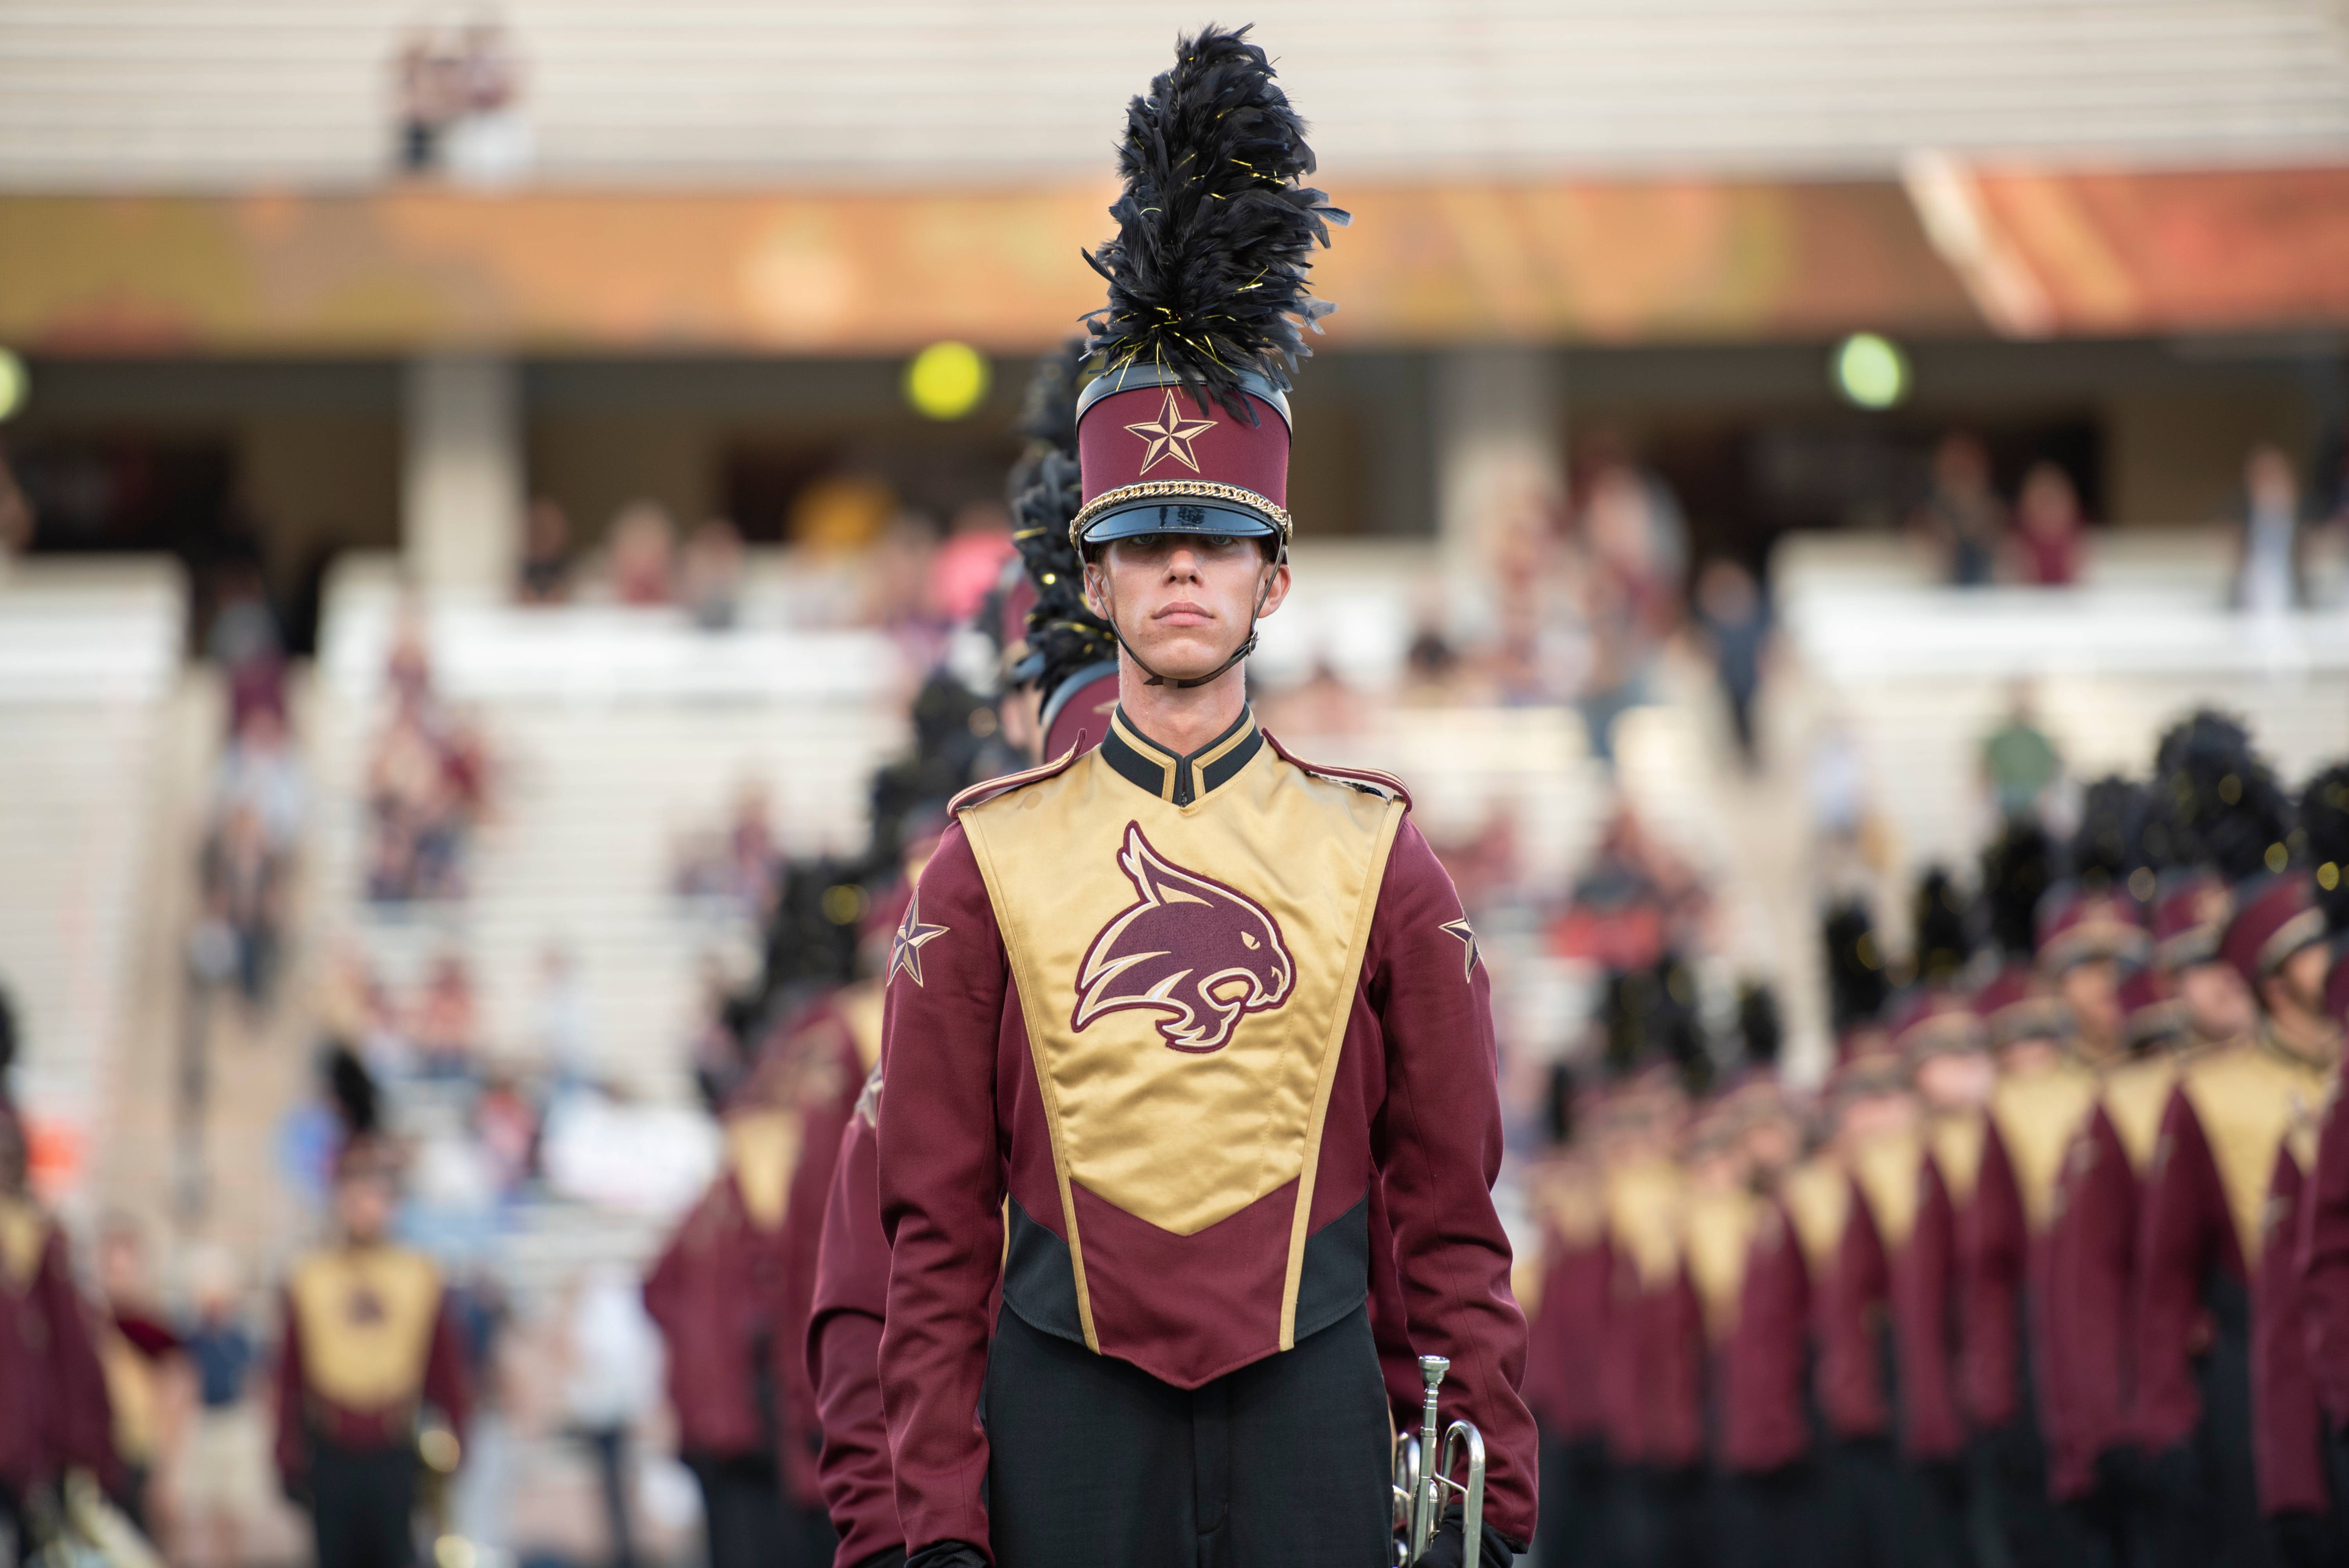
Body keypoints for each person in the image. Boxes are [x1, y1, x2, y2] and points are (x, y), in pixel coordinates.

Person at [873, 29, 1534, 1568]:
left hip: (1310, 1414)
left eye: (1219, 538)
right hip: (1060, 1418)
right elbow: (932, 1245)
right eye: (1148, 534)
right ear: (1091, 571)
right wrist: (933, 1532)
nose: (1182, 566)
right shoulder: (983, 863)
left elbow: (1450, 1221)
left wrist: (1490, 1502)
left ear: (1276, 575)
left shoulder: (1382, 856)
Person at [2136, 730, 2339, 1568]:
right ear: (2273, 977)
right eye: (2309, 950)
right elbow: (2163, 1277)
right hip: (2266, 1378)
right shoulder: (2206, 1097)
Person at [274, 1130, 471, 1568]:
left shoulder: (418, 1274)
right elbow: (288, 1374)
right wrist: (287, 1453)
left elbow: (445, 1370)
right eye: (355, 1194)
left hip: (394, 1446)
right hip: (330, 1448)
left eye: (375, 1195)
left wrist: (458, 1440)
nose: (365, 1207)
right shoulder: (311, 1276)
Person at [1915, 430, 2007, 588]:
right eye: (1954, 462)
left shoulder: (1998, 513)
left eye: (1967, 460)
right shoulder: (1924, 516)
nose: (1960, 468)